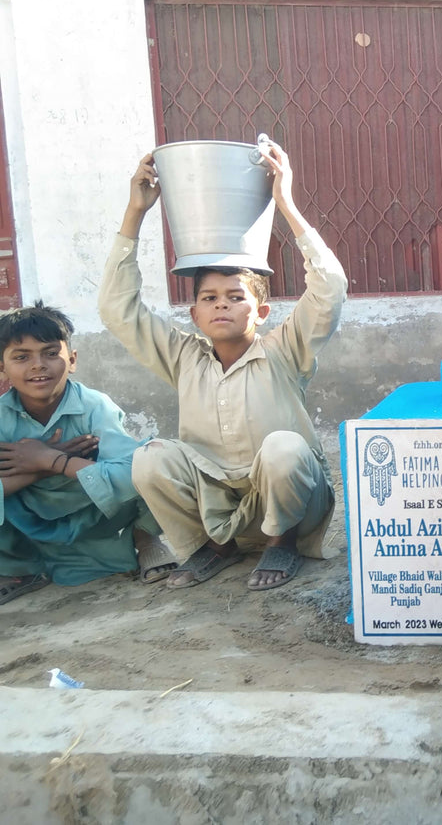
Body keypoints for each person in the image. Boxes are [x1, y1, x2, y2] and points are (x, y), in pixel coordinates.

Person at [99, 142, 347, 591]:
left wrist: (285, 202)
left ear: (261, 312)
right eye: (209, 299)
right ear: (194, 315)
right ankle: (210, 549)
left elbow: (329, 289)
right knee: (150, 459)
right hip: (215, 504)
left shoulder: (284, 350)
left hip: (290, 502)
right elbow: (119, 310)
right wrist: (135, 213)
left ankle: (280, 545)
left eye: (236, 298)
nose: (222, 307)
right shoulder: (183, 356)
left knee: (284, 448)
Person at [0, 302, 173, 604]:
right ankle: (21, 569)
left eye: (51, 353)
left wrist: (53, 460)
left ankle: (145, 538)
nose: (38, 365)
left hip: (94, 514)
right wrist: (39, 468)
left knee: (152, 459)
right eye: (21, 357)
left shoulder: (94, 406)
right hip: (28, 522)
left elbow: (128, 474)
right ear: (2, 367)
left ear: (73, 359)